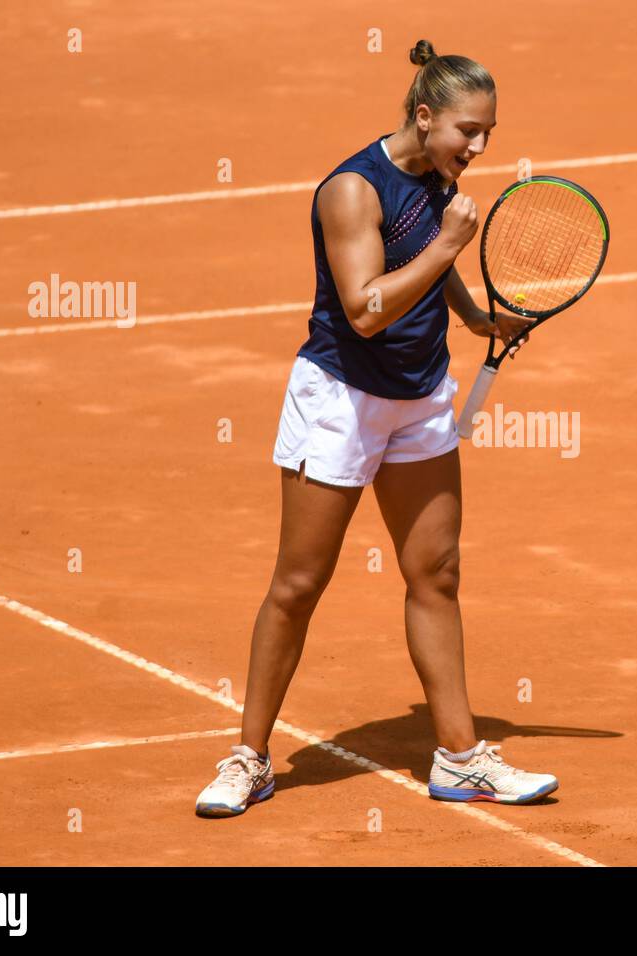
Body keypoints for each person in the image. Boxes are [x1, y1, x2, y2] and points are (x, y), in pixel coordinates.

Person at [196, 39, 558, 817]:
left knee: (437, 575)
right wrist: (454, 243)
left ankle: (460, 758)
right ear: (424, 117)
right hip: (342, 399)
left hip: (421, 396)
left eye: (489, 131)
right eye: (468, 130)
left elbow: (428, 258)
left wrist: (472, 315)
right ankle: (249, 757)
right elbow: (364, 311)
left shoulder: (435, 177)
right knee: (298, 584)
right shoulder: (352, 191)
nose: (480, 145)